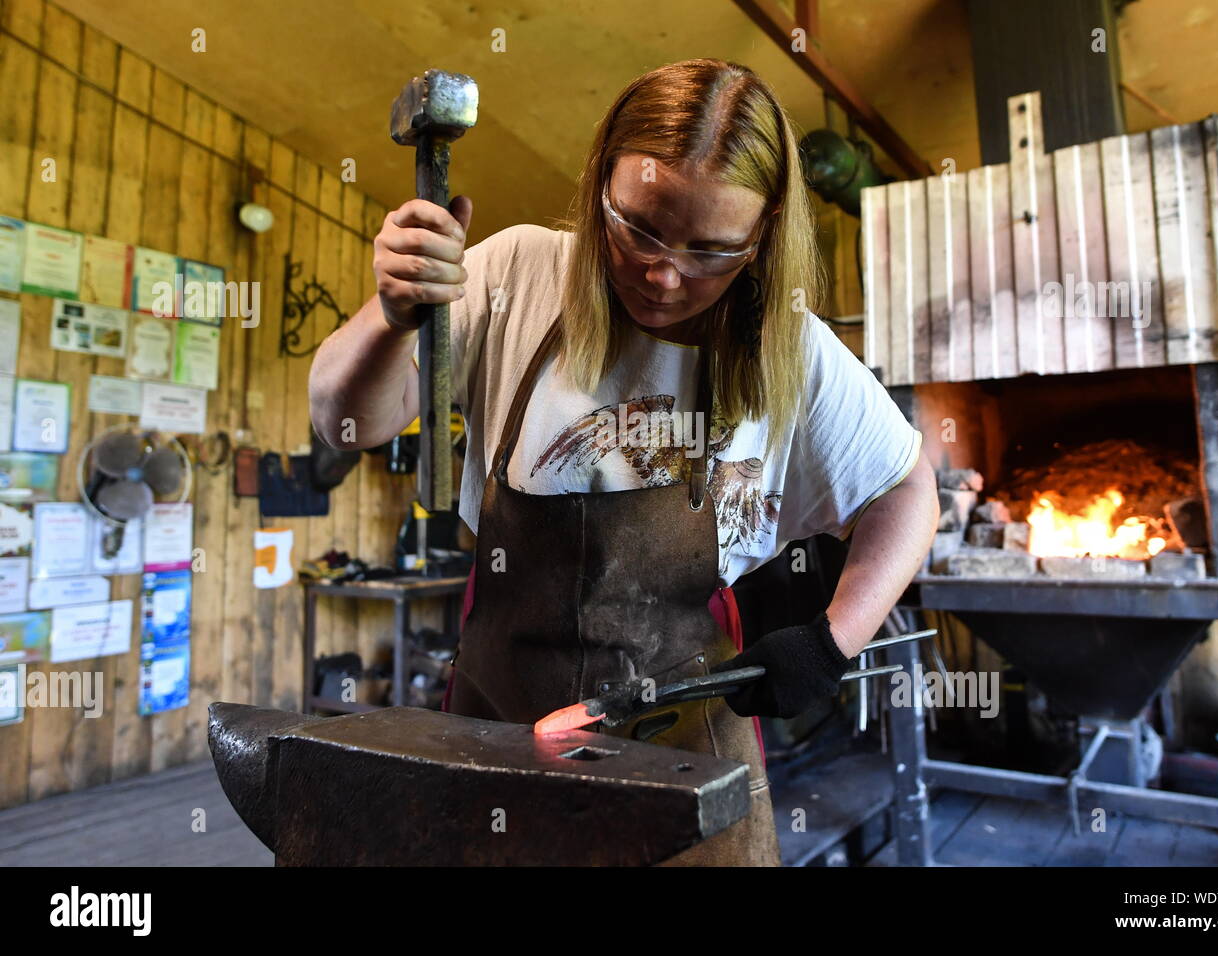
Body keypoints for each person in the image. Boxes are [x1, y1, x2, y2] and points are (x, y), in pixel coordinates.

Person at [309, 58, 938, 866]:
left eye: (712, 249)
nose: (665, 274)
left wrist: (830, 642)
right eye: (640, 227)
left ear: (764, 236)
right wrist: (394, 317)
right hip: (499, 726)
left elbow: (907, 489)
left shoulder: (793, 350)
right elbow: (344, 420)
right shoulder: (516, 275)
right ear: (602, 177)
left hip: (686, 756)